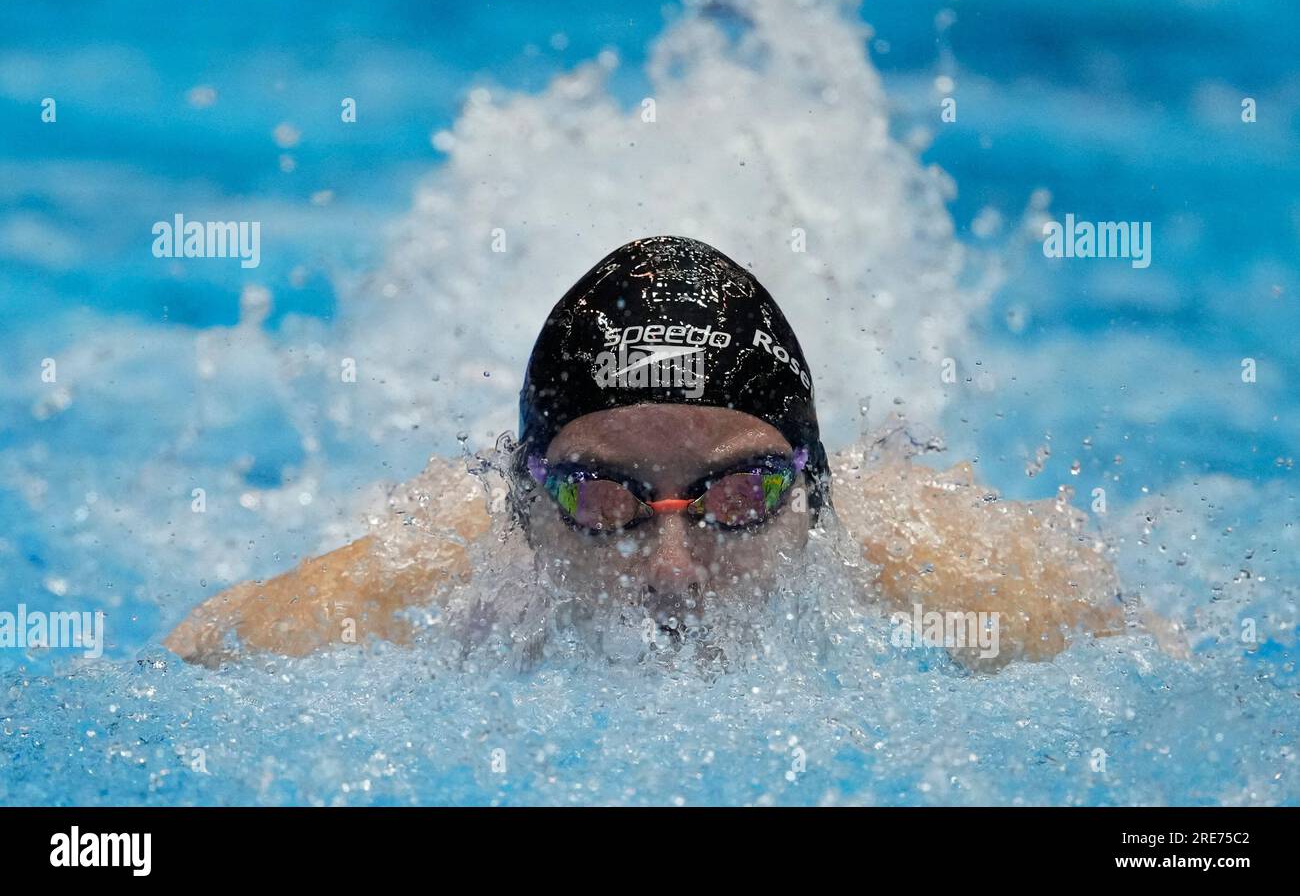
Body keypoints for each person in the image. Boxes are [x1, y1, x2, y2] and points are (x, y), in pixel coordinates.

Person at [166, 236, 1156, 669]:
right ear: (523, 506)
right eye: (601, 501)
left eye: (738, 495)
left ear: (814, 495)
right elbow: (192, 660)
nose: (671, 570)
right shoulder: (432, 569)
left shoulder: (952, 573)